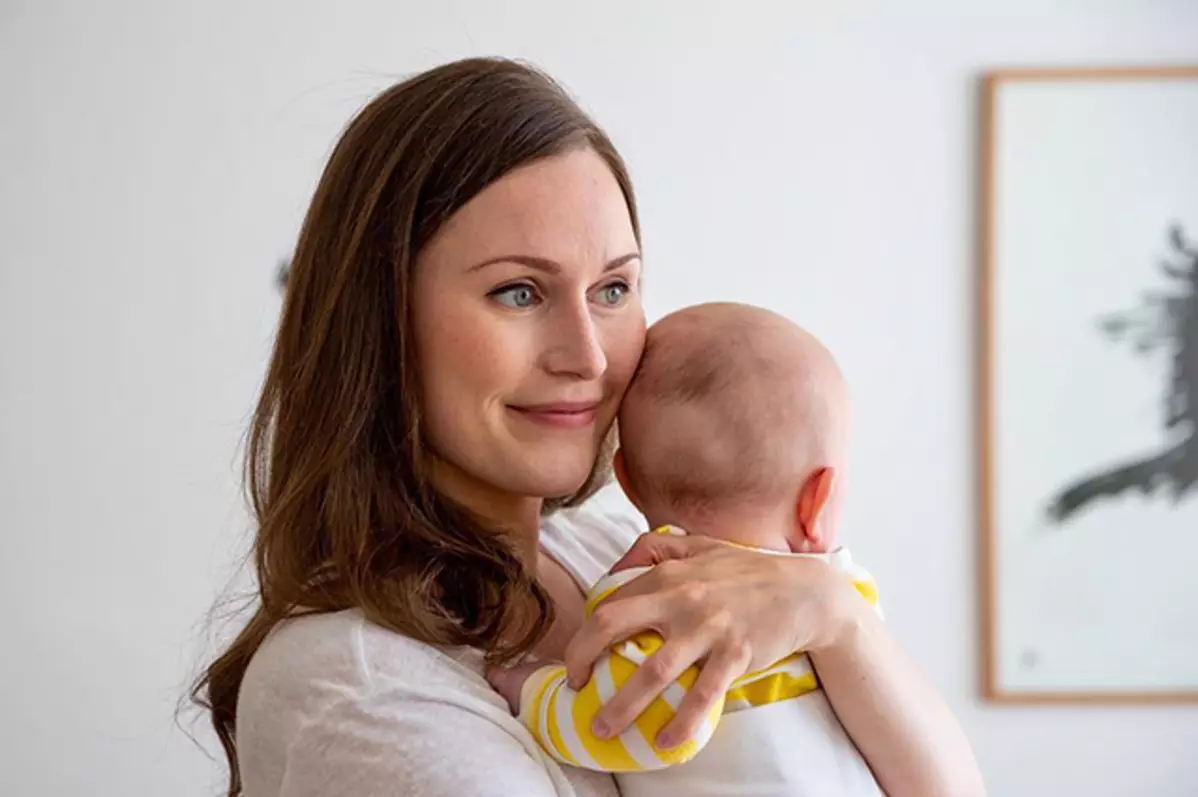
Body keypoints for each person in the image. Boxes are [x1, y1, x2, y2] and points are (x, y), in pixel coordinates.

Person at [191, 56, 985, 797]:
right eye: (519, 293)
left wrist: (838, 617)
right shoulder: (354, 682)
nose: (589, 356)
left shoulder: (612, 551)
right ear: (380, 320)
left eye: (613, 289)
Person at [486, 303, 886, 796]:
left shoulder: (651, 609)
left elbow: (609, 727)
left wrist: (531, 690)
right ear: (816, 501)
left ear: (627, 484)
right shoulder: (849, 591)